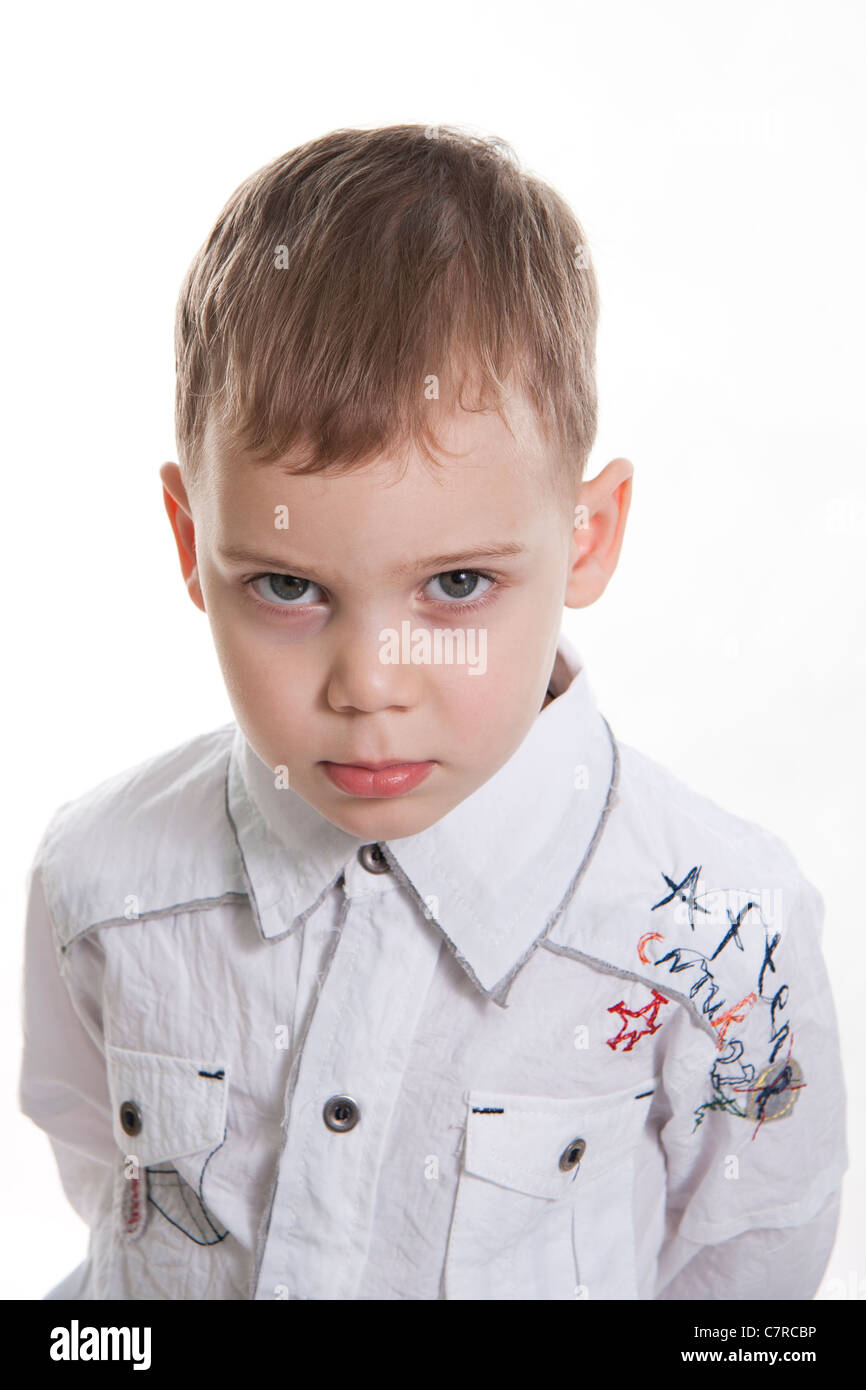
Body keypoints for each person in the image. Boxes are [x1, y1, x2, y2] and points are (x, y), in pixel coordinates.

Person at [18, 123, 847, 1300]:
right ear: (192, 544)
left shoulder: (724, 931)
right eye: (289, 586)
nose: (370, 682)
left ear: (586, 536)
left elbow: (746, 1280)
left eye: (456, 584)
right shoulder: (101, 874)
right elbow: (112, 1198)